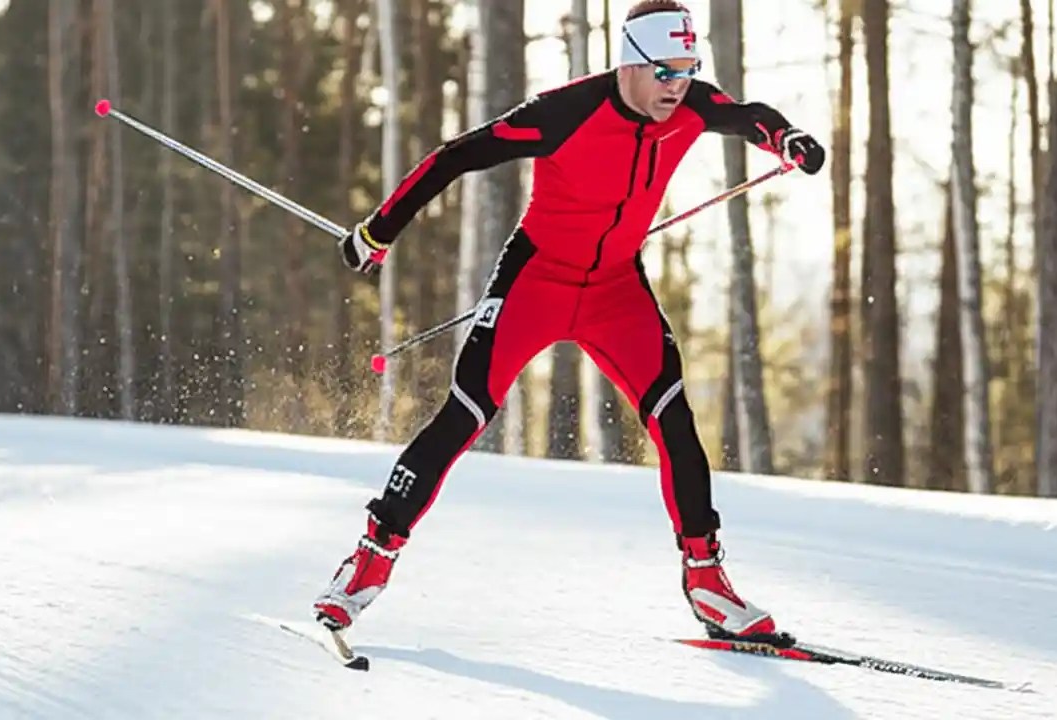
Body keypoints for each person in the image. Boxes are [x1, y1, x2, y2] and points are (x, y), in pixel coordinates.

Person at [313, 0, 825, 641]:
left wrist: (788, 140)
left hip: (616, 288)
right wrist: (377, 231)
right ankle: (368, 562)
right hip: (538, 280)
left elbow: (749, 117)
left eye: (688, 69)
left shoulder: (691, 104)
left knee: (674, 417)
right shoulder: (564, 113)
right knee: (466, 412)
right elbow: (454, 157)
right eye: (664, 70)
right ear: (631, 63)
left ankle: (707, 580)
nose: (677, 85)